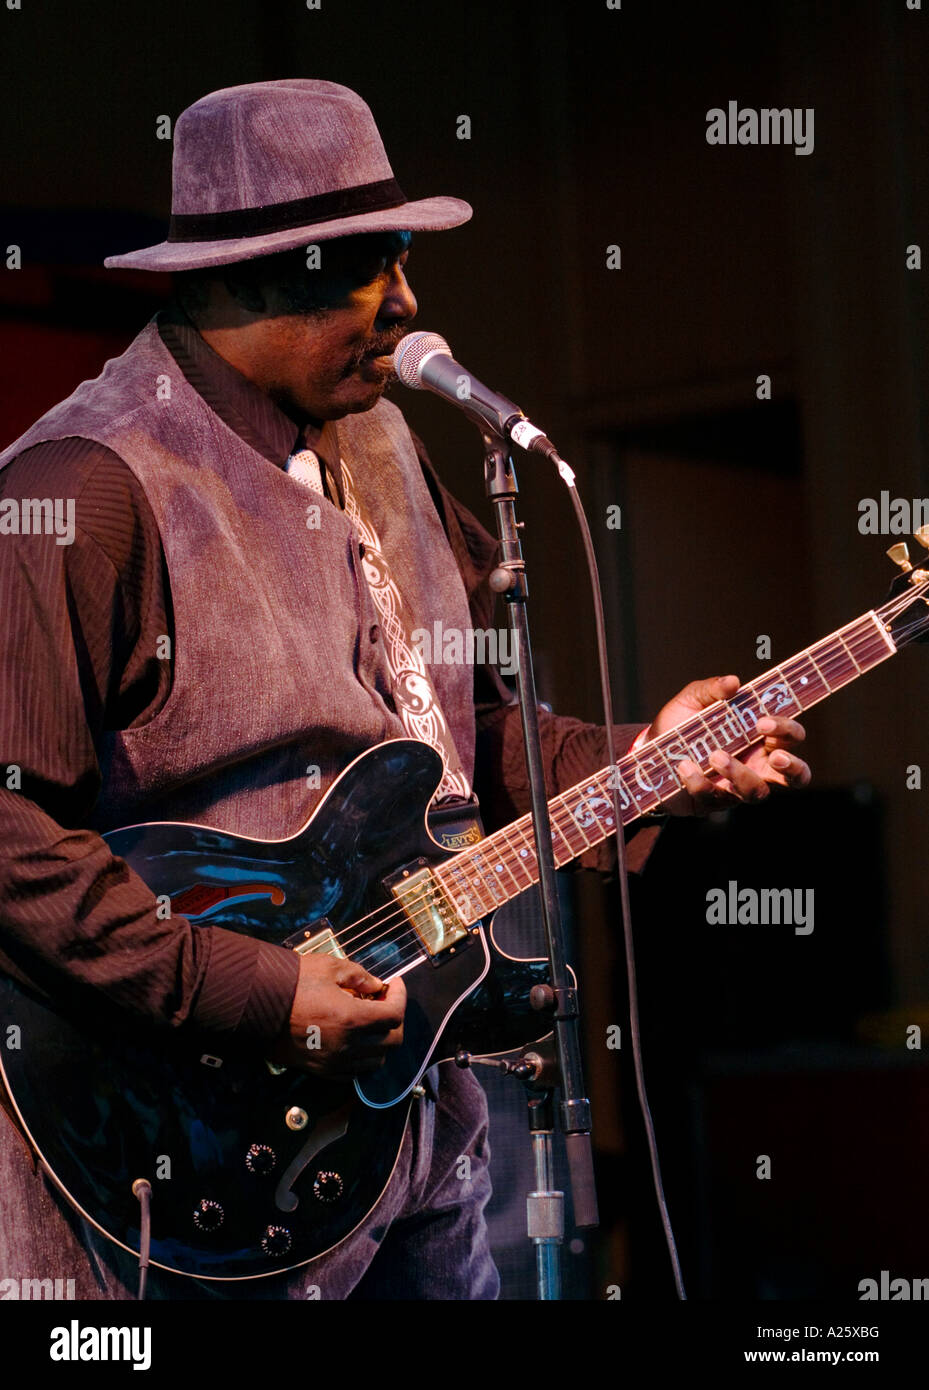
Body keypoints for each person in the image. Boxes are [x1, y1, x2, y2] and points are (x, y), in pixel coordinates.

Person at [0, 79, 810, 1301]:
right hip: (188, 1159)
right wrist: (259, 992)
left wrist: (644, 757)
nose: (409, 302)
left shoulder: (382, 442)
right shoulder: (85, 486)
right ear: (253, 275)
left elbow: (460, 734)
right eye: (372, 265)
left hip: (420, 1133)